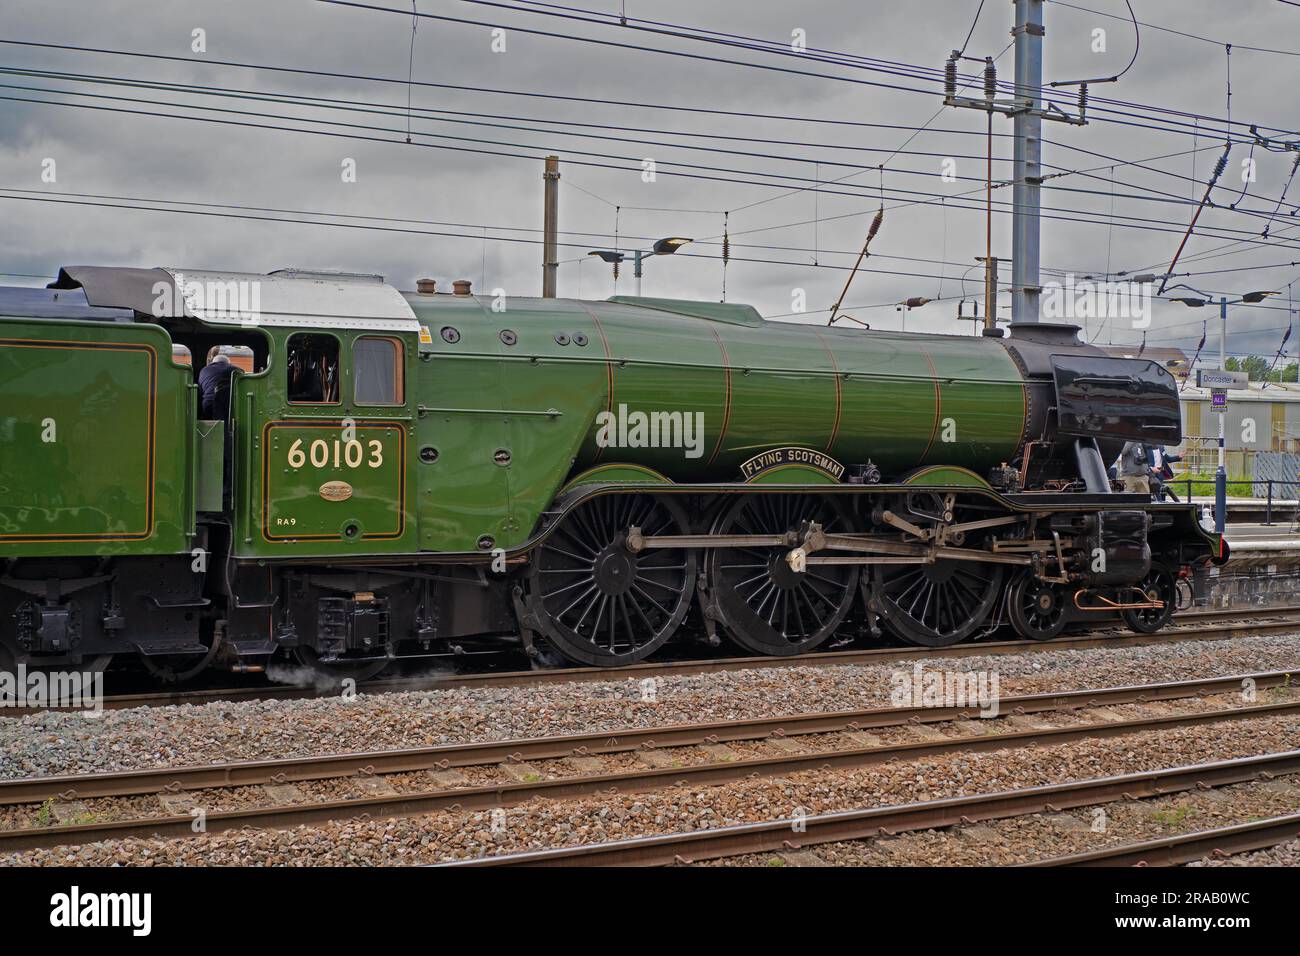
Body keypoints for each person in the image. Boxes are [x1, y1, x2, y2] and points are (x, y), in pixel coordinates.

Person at [198, 347, 237, 420]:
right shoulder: (237, 370)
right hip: (232, 407)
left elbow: (200, 392)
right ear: (228, 363)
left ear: (213, 362)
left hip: (209, 405)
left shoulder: (204, 370)